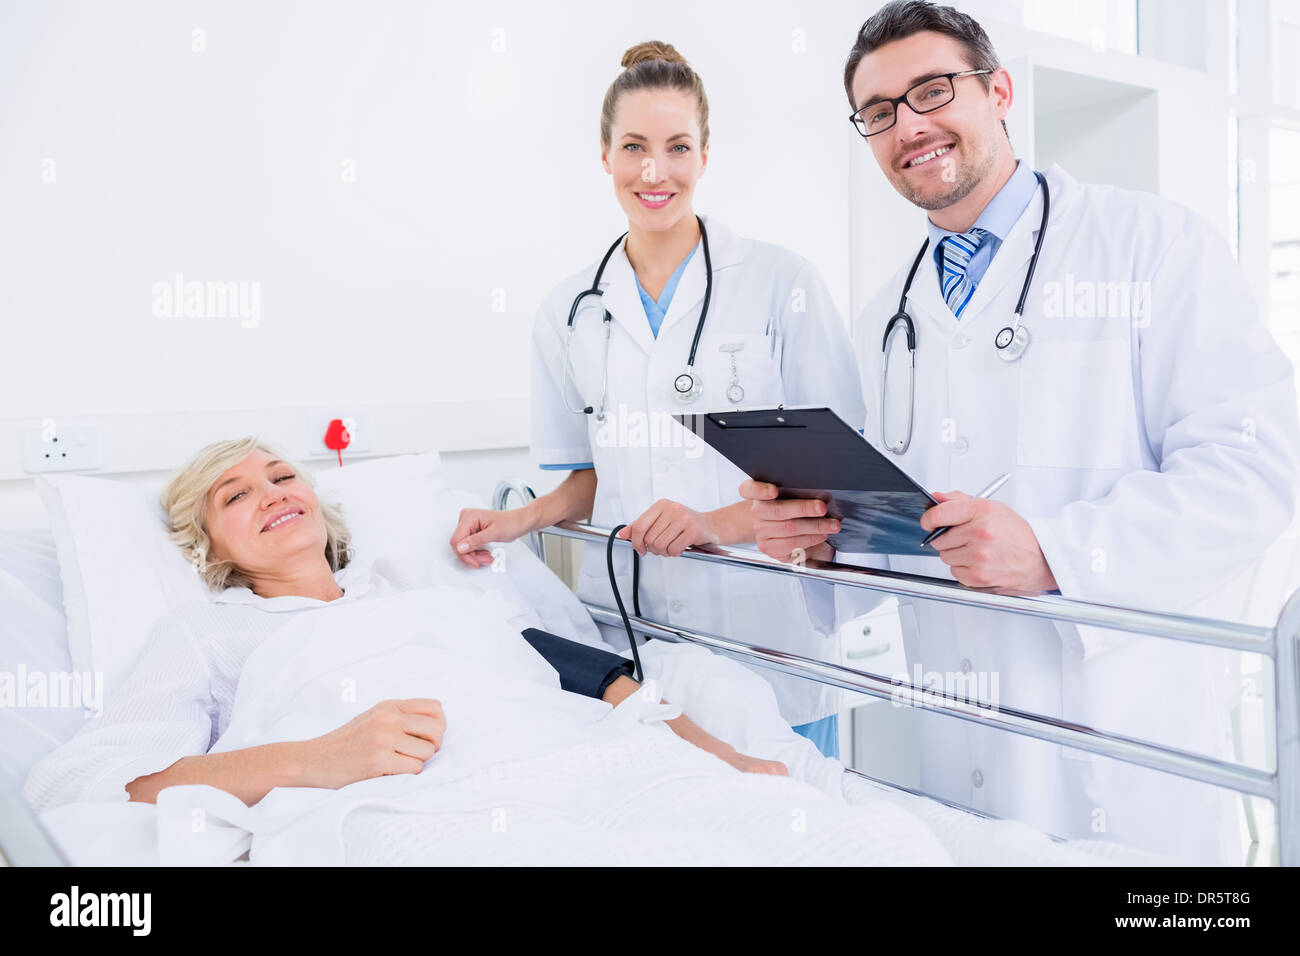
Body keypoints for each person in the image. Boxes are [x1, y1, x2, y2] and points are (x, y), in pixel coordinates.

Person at [739, 0, 1300, 863]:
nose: (909, 127)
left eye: (933, 91)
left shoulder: (1150, 246)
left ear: (998, 90)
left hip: (1119, 736)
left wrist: (1057, 553)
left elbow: (1257, 467)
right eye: (880, 113)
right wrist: (821, 539)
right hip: (960, 742)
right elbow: (912, 523)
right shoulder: (888, 306)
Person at [450, 41, 866, 758]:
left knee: (798, 824)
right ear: (605, 156)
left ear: (705, 156)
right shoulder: (569, 310)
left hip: (766, 640)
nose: (655, 171)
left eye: (677, 147)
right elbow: (589, 478)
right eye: (634, 146)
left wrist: (711, 522)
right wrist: (520, 519)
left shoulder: (780, 281)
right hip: (631, 641)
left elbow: (838, 480)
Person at [24, 439, 788, 813]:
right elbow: (79, 785)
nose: (271, 493)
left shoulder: (416, 594)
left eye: (282, 476)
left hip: (579, 770)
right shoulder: (209, 632)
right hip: (419, 811)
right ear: (206, 544)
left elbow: (594, 675)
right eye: (235, 496)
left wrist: (728, 761)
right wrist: (314, 759)